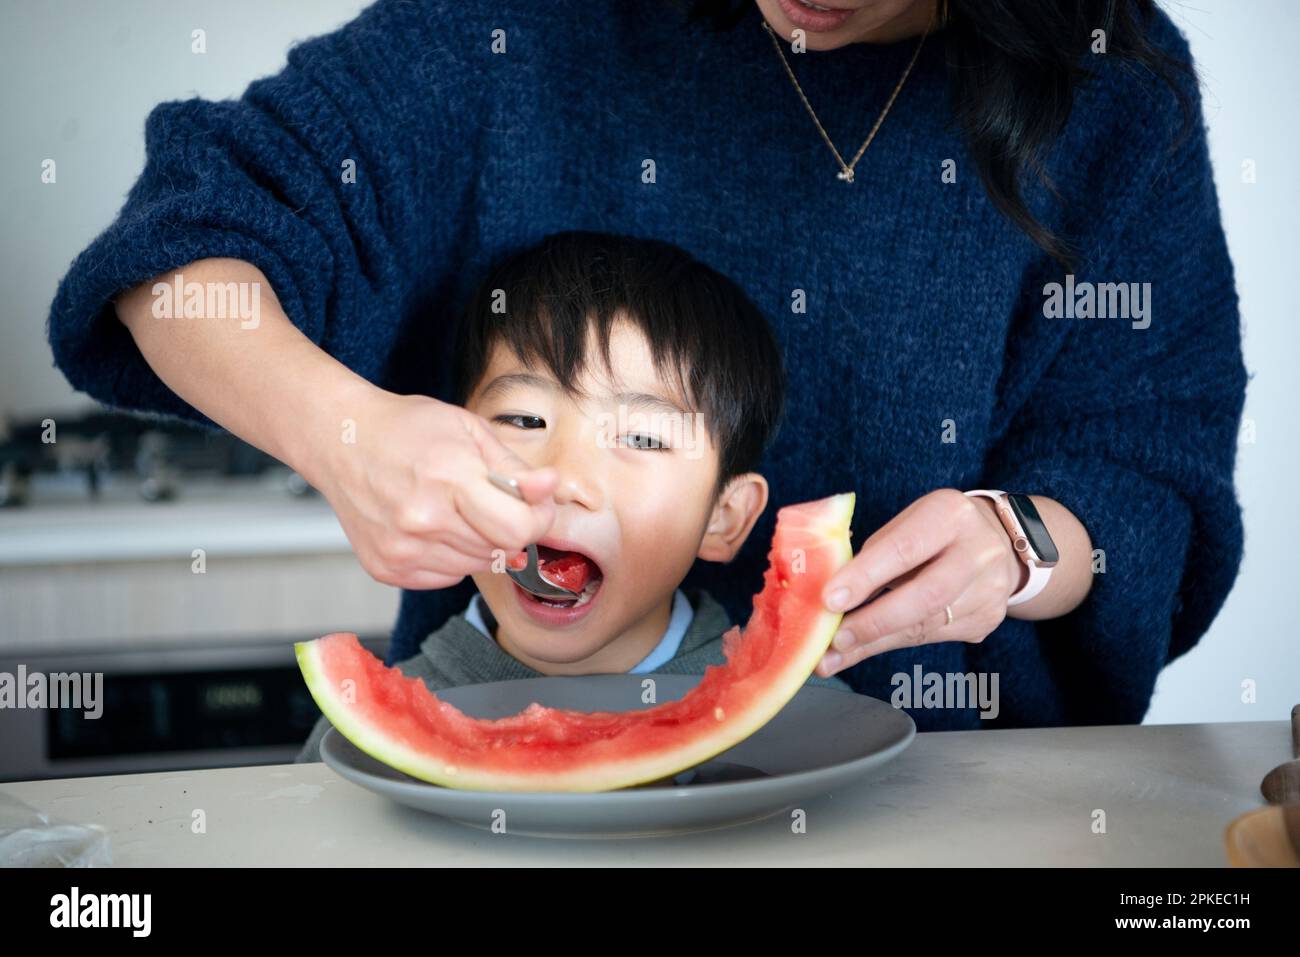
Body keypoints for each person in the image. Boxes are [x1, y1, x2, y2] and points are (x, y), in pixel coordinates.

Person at [46, 0, 1247, 730]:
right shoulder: (512, 28)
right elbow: (185, 236)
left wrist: (1027, 544)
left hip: (961, 803)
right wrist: (340, 431)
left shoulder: (1112, 91)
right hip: (510, 800)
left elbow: (1149, 469)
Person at [294, 229, 852, 760]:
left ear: (723, 517)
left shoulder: (806, 723)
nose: (564, 478)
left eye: (640, 438)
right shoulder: (360, 738)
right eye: (524, 418)